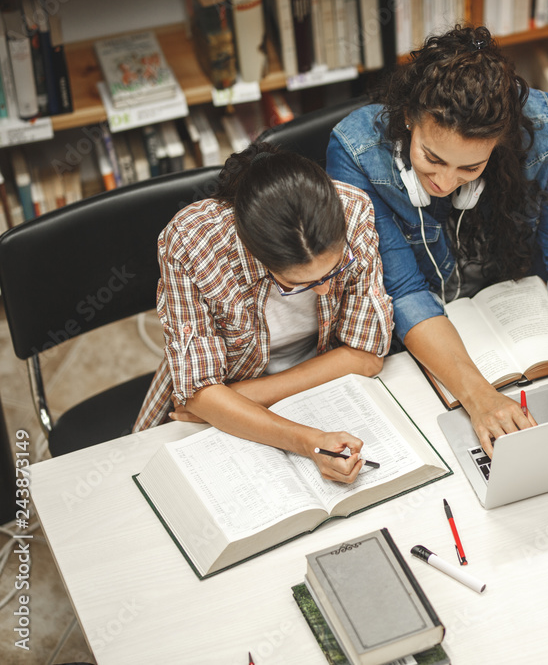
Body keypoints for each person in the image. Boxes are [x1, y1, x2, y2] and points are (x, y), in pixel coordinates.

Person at [327, 25, 548, 455]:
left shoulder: (542, 129)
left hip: (520, 322)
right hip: (422, 344)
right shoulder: (355, 152)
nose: (445, 182)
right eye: (431, 159)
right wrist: (479, 398)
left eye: (470, 169)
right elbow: (402, 291)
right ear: (409, 118)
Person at [133, 143, 394, 484]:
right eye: (296, 283)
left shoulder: (353, 210)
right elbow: (198, 390)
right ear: (256, 253)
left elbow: (367, 356)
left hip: (273, 397)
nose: (324, 290)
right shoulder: (191, 242)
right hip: (246, 413)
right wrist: (309, 441)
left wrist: (234, 399)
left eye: (333, 272)